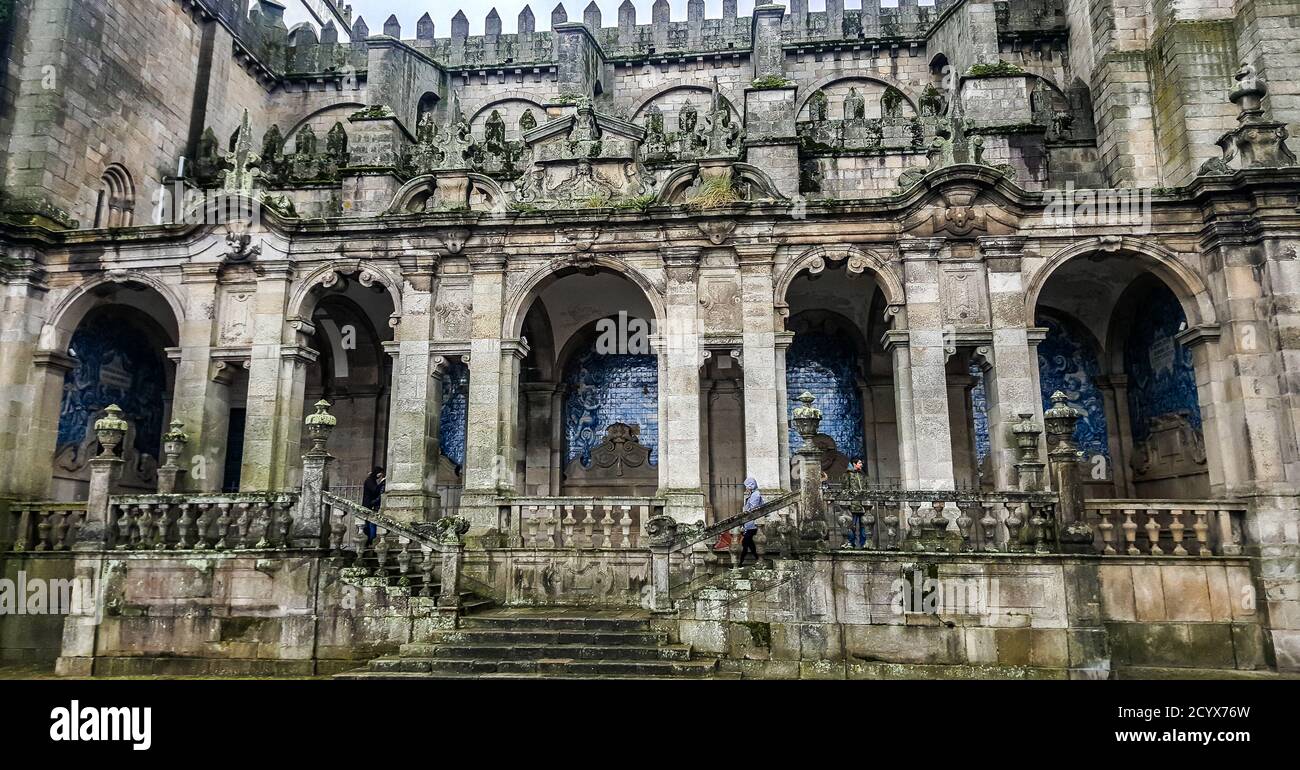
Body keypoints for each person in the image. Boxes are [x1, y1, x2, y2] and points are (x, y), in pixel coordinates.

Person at [736, 477, 763, 567]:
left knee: (746, 543)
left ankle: (740, 563)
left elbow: (753, 509)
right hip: (749, 523)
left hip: (753, 524)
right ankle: (758, 559)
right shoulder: (752, 494)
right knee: (749, 544)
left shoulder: (756, 495)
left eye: (747, 486)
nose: (746, 488)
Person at [843, 458, 868, 548]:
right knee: (851, 525)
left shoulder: (863, 475)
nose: (861, 464)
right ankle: (851, 542)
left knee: (863, 525)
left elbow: (866, 488)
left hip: (863, 505)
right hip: (853, 504)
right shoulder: (848, 474)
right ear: (854, 464)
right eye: (859, 463)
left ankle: (863, 543)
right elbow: (845, 489)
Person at [361, 466, 385, 543]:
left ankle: (370, 540)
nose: (380, 475)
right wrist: (382, 483)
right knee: (368, 524)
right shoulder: (369, 480)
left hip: (370, 504)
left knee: (370, 524)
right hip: (368, 504)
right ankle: (369, 540)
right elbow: (374, 490)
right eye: (379, 473)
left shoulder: (372, 480)